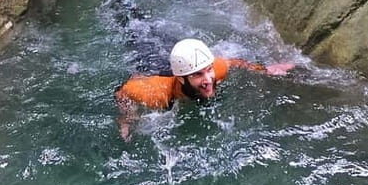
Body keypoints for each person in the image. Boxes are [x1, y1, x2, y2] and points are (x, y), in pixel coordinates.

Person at [115, 38, 294, 140]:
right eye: (198, 75)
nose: (209, 80)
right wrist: (128, 117)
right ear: (181, 79)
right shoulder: (159, 94)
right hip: (150, 64)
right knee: (138, 37)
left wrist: (265, 70)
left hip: (179, 61)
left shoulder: (217, 69)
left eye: (209, 71)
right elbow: (122, 91)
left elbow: (235, 62)